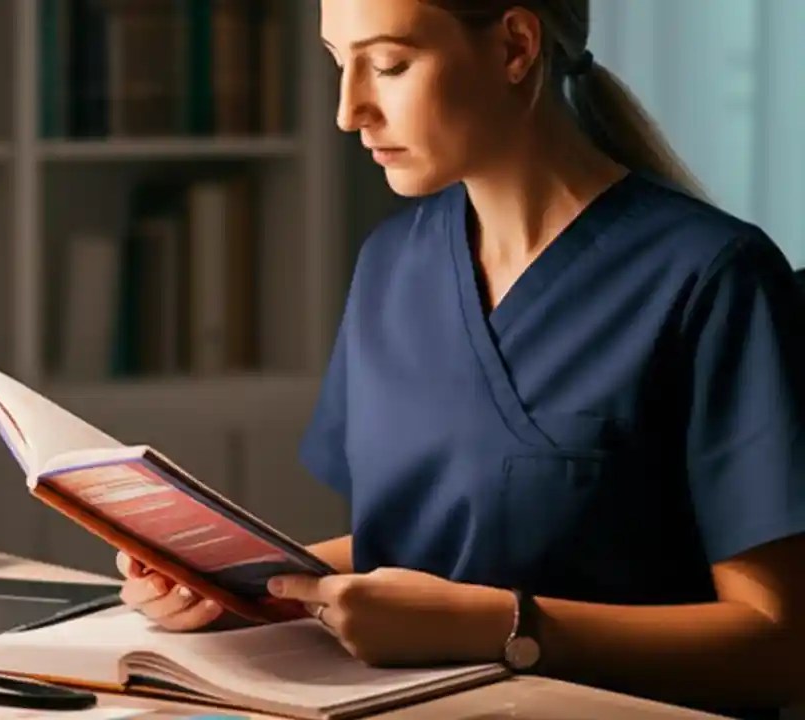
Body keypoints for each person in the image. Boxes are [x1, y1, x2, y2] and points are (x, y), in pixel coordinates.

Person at [114, 1, 805, 718]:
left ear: (514, 46)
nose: (349, 112)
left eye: (387, 65)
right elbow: (420, 541)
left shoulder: (712, 277)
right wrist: (235, 589)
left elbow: (778, 647)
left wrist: (504, 626)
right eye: (336, 63)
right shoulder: (393, 264)